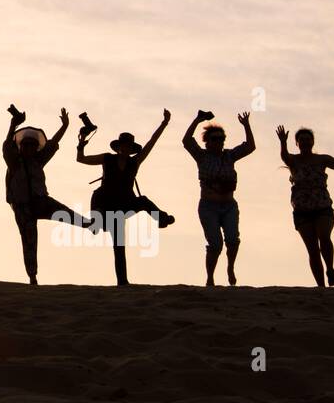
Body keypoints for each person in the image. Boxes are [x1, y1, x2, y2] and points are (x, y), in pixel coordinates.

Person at [78, 110, 175, 285]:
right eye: (123, 145)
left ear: (131, 149)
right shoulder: (107, 158)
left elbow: (151, 143)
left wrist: (164, 123)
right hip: (106, 205)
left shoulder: (134, 162)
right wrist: (81, 143)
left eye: (129, 146)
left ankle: (161, 219)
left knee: (143, 201)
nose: (126, 148)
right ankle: (96, 223)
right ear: (118, 147)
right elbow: (81, 159)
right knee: (118, 244)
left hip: (125, 205)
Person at [4, 106, 94, 285]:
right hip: (22, 207)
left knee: (63, 211)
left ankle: (88, 224)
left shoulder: (38, 160)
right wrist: (13, 124)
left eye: (32, 145)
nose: (29, 148)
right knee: (29, 240)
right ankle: (32, 276)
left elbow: (52, 144)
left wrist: (65, 126)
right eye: (26, 145)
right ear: (20, 147)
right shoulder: (13, 161)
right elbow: (7, 144)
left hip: (40, 201)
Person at [276, 125, 334, 287]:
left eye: (308, 139)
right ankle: (321, 286)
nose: (305, 142)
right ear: (297, 143)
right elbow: (284, 156)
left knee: (324, 237)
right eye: (301, 140)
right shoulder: (294, 161)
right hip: (302, 210)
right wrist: (283, 142)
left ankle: (330, 269)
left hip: (322, 206)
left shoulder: (322, 159)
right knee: (312, 250)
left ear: (313, 142)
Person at [182, 109, 255, 286]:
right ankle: (210, 277)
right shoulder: (202, 157)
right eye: (214, 139)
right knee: (215, 244)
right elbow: (186, 141)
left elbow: (250, 147)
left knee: (232, 239)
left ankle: (230, 267)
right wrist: (197, 119)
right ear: (207, 142)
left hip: (229, 205)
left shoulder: (229, 156)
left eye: (221, 139)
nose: (219, 142)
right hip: (209, 206)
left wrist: (246, 125)